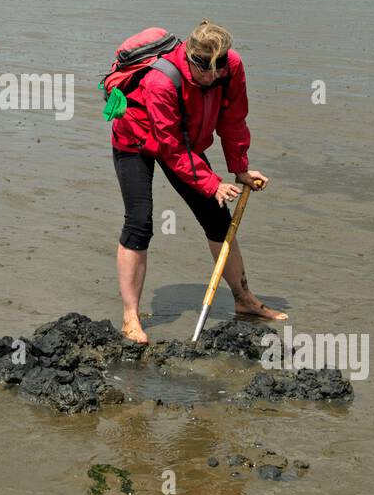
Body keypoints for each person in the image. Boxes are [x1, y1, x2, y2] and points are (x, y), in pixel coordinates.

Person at [112, 19, 286, 343]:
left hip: (184, 141)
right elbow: (171, 148)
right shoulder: (161, 82)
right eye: (205, 69)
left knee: (218, 218)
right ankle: (130, 317)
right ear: (191, 59)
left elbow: (233, 119)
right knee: (139, 222)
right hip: (135, 139)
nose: (213, 76)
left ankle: (244, 299)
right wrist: (212, 183)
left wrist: (240, 168)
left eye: (218, 68)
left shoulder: (230, 67)